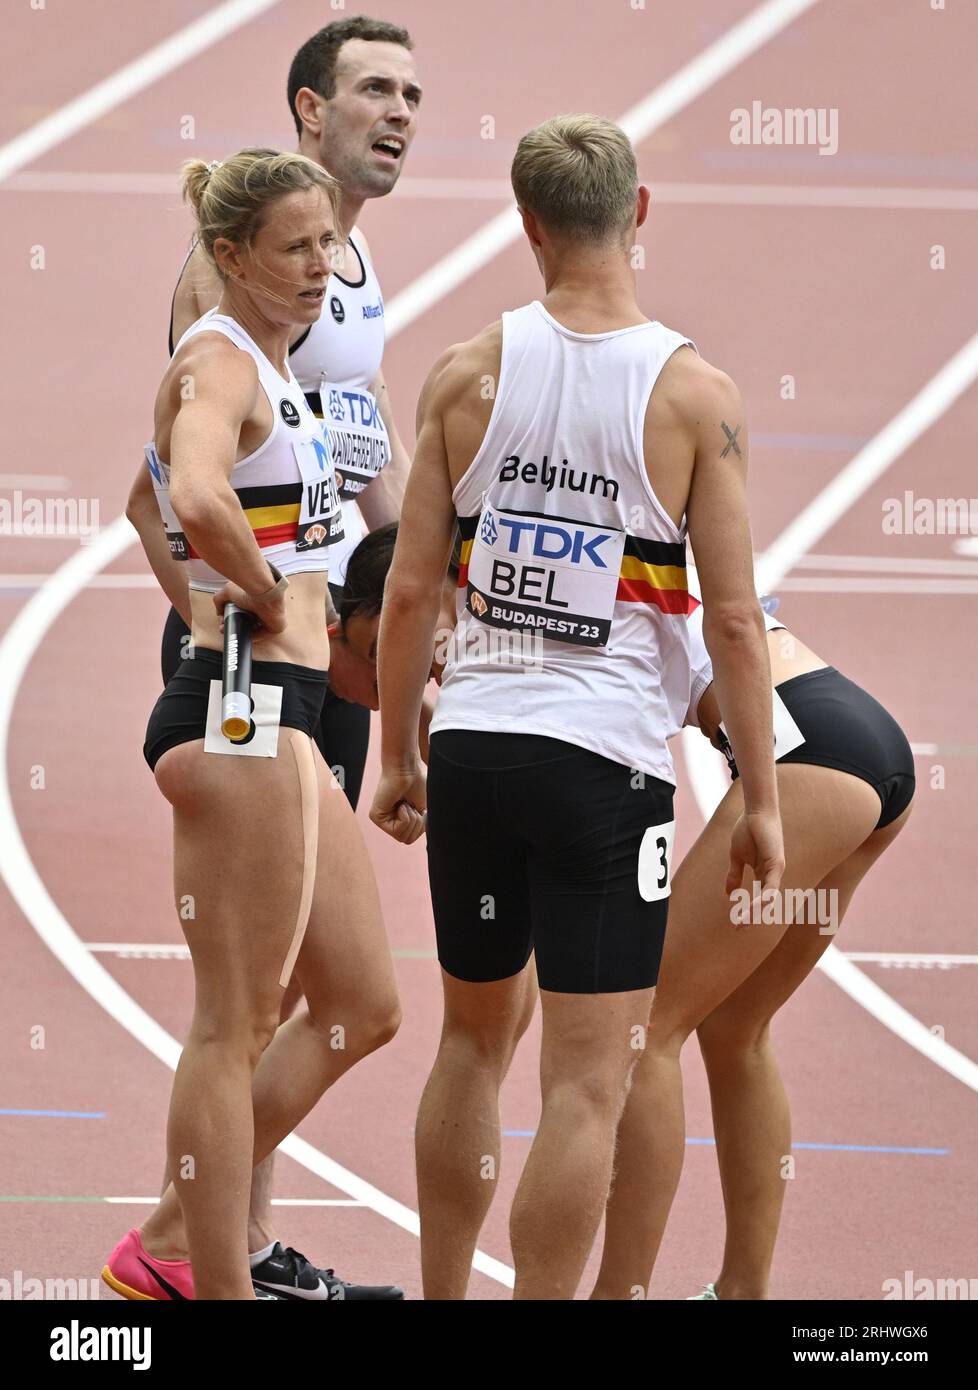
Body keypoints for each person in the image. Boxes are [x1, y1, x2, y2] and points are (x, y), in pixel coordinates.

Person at [369, 114, 785, 1299]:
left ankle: (445, 1291)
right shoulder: (697, 397)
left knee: (469, 1042)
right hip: (605, 765)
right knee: (586, 1082)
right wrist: (758, 799)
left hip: (480, 748)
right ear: (639, 213)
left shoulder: (463, 374)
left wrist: (396, 754)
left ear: (528, 226)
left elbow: (407, 592)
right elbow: (737, 623)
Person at [123, 14, 420, 1290]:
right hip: (242, 701)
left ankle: (197, 1238)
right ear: (235, 253)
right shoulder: (220, 347)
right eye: (293, 249)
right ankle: (205, 1277)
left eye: (325, 249)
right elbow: (184, 498)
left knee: (359, 1000)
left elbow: (147, 500)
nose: (318, 267)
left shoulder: (292, 359)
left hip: (293, 693)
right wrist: (233, 596)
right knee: (234, 1019)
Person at [592, 593, 915, 1300]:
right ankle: (743, 1290)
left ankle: (619, 1294)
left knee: (646, 1027)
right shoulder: (643, 520)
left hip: (801, 757)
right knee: (737, 1030)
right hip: (858, 734)